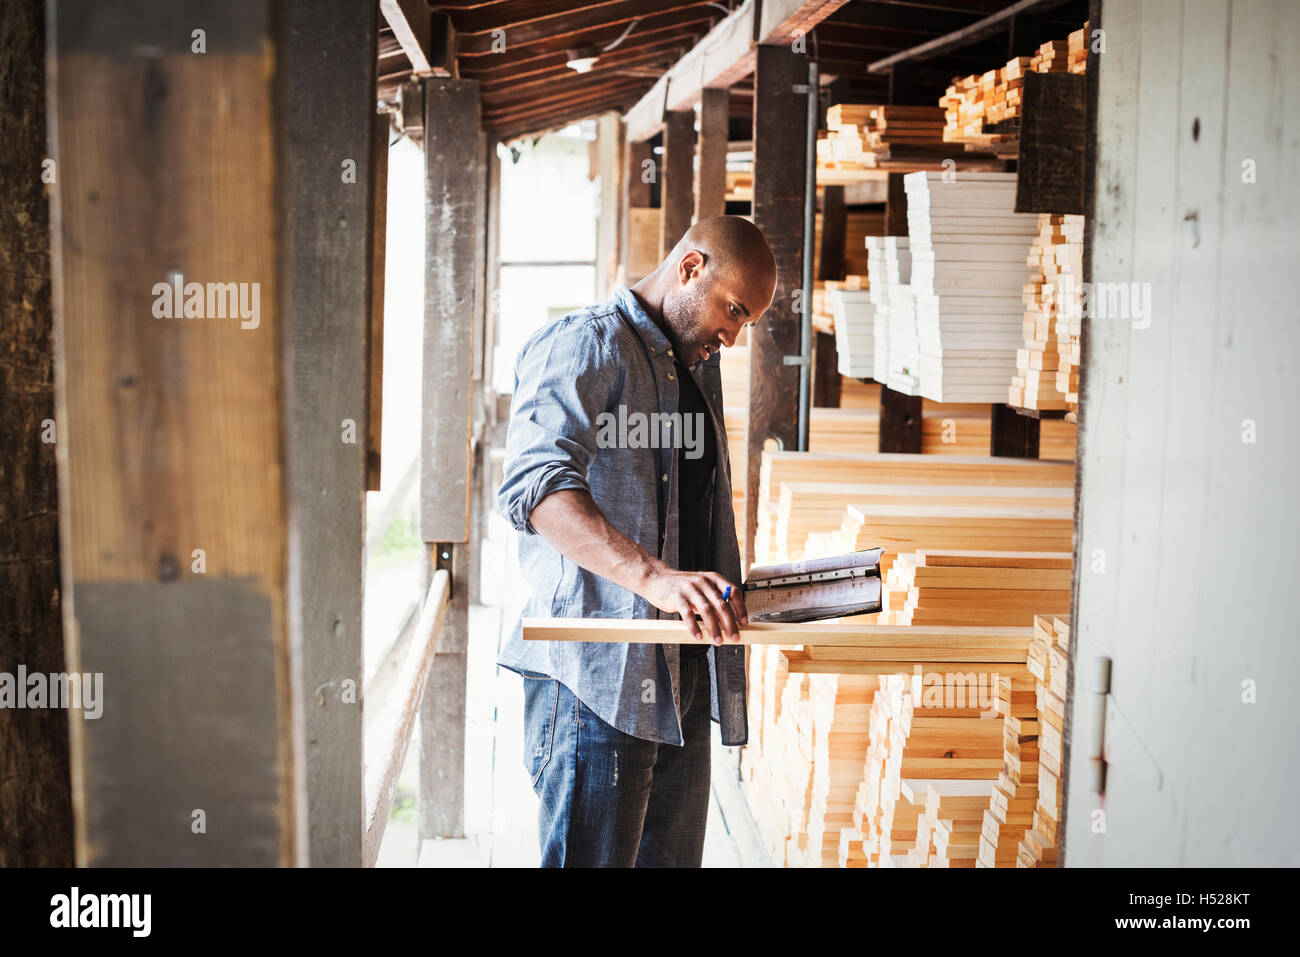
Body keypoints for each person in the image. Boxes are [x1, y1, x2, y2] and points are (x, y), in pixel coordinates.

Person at [496, 215, 779, 867]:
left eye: (745, 323)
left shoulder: (690, 372)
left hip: (679, 676)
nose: (732, 336)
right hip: (595, 685)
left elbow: (684, 519)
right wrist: (656, 580)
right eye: (732, 310)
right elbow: (537, 489)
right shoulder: (582, 345)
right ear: (689, 268)